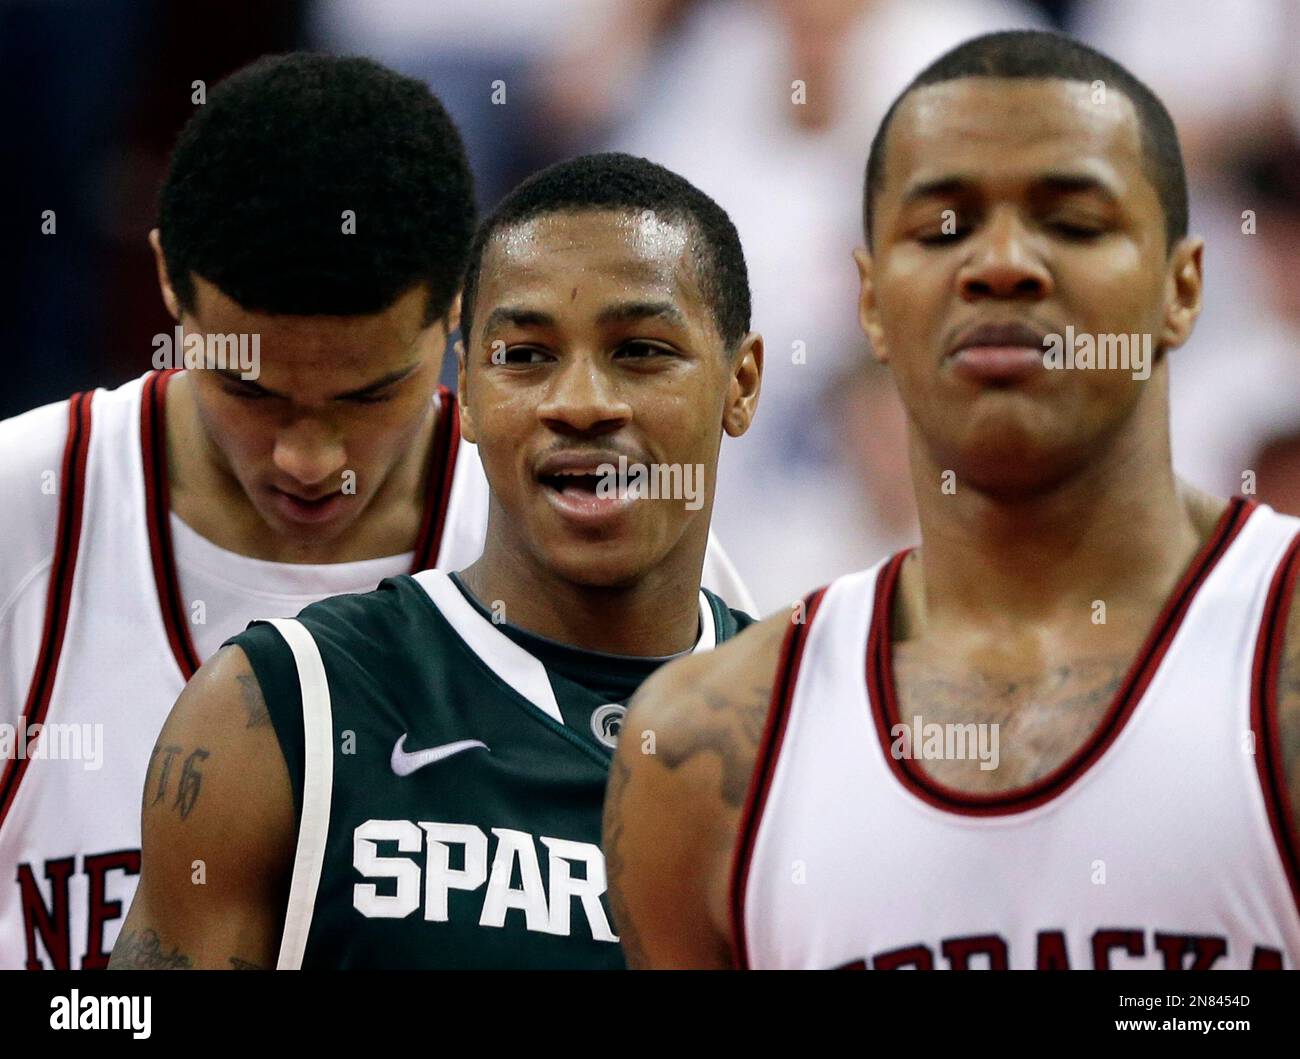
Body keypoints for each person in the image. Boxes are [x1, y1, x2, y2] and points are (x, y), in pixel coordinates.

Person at [0, 54, 750, 971]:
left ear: (456, 324)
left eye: (367, 394)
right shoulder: (23, 504)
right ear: (167, 284)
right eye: (249, 389)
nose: (307, 459)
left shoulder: (599, 521)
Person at [604, 30, 1300, 970]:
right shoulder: (700, 747)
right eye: (943, 228)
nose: (1002, 263)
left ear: (1183, 288)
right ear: (871, 305)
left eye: (1075, 222)